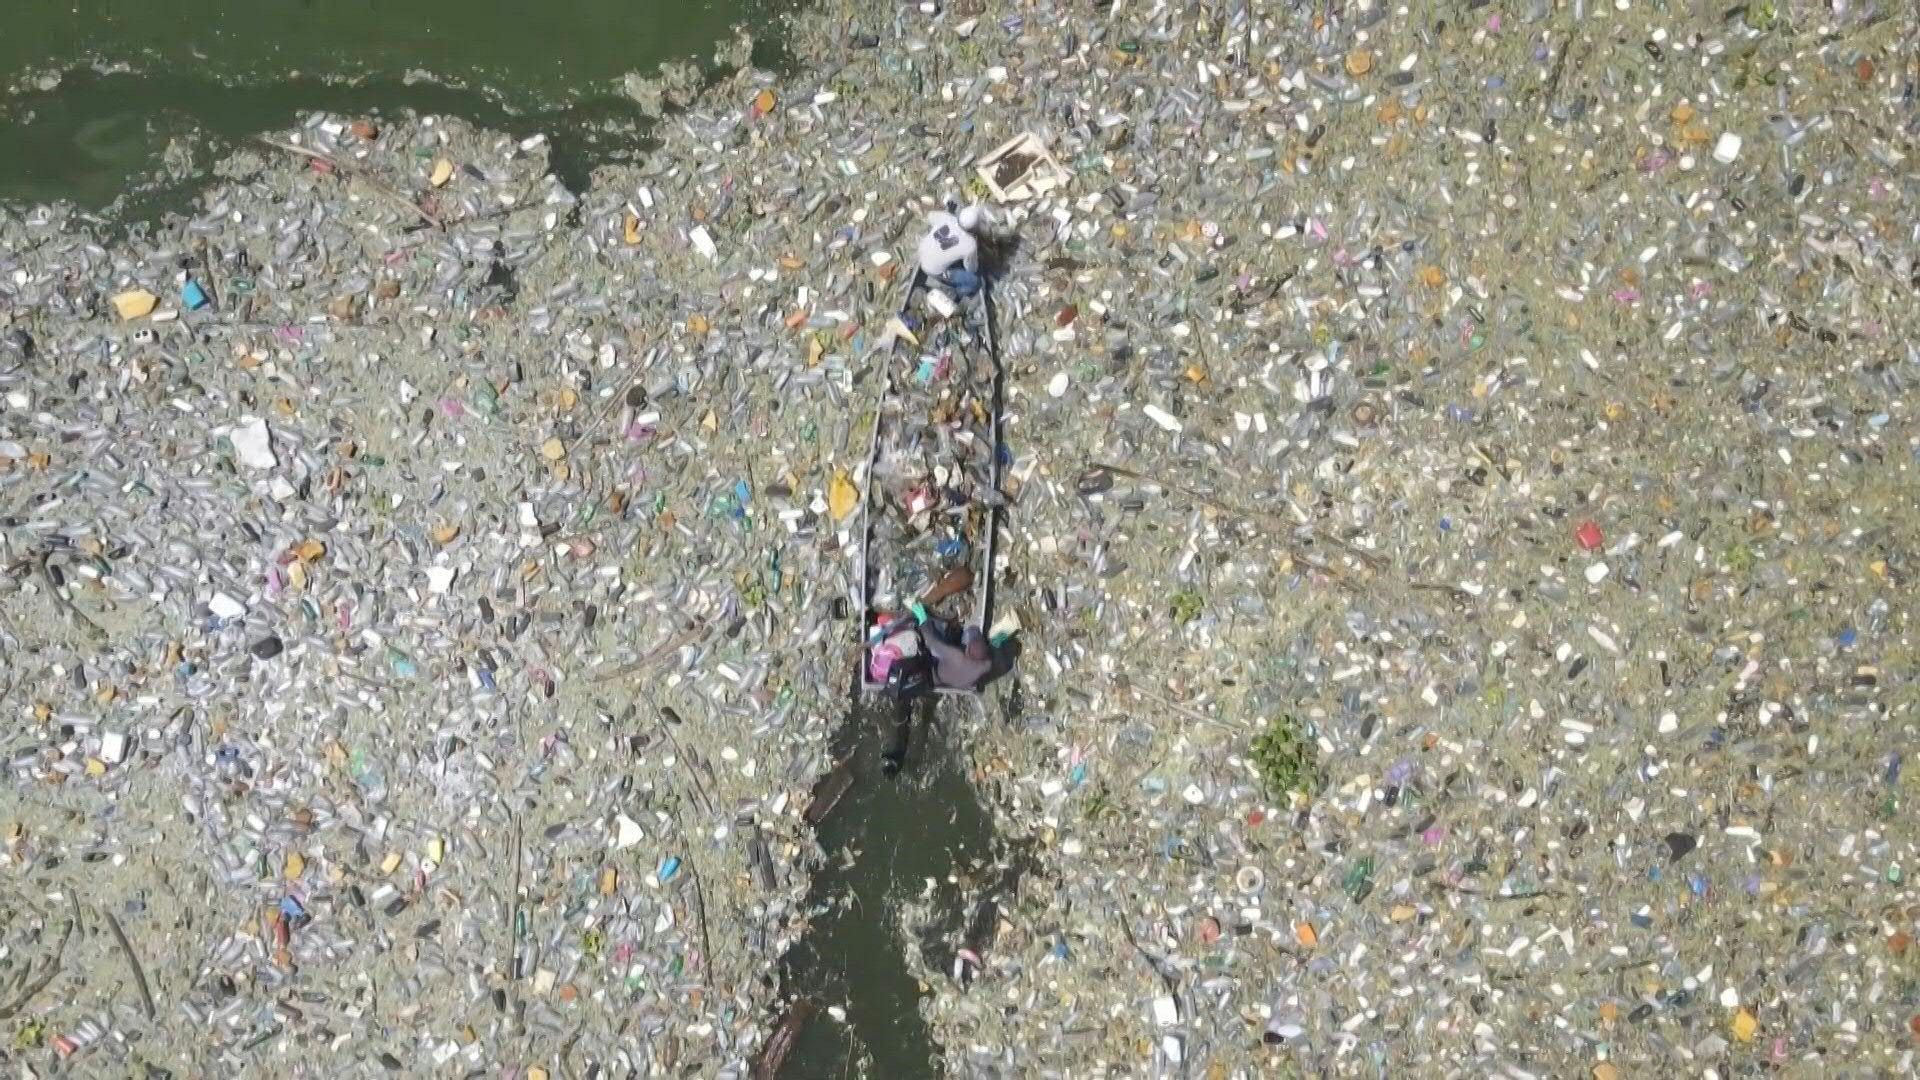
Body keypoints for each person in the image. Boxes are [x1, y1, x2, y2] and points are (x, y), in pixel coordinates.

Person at [917, 200, 984, 298]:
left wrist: (948, 213)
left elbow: (930, 216)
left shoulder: (947, 218)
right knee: (974, 281)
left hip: (922, 254)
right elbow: (971, 269)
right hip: (934, 270)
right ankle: (957, 294)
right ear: (975, 227)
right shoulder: (970, 244)